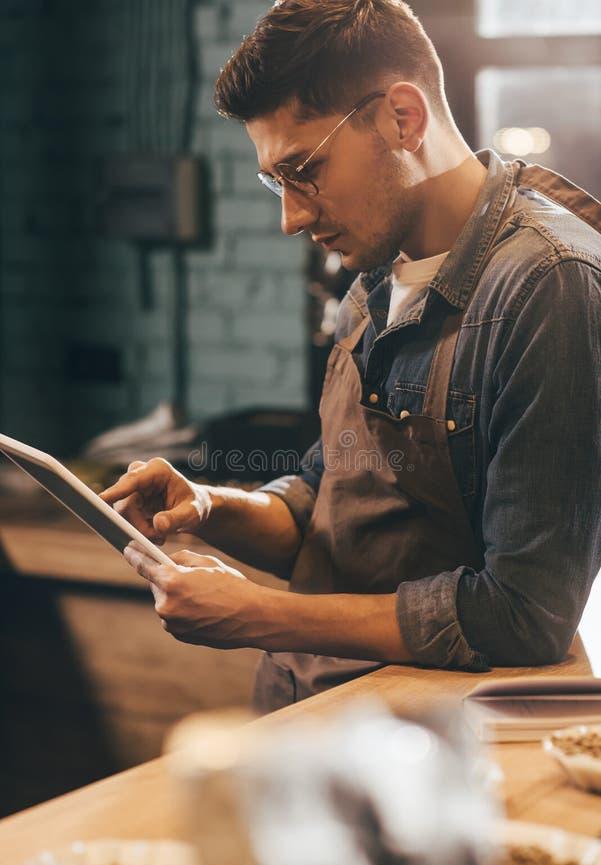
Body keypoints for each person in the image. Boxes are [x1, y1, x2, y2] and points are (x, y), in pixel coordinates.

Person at [100, 0, 601, 713]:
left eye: (304, 169)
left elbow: (524, 615)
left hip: (420, 752)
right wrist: (209, 506)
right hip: (304, 716)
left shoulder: (549, 283)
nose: (291, 217)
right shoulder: (375, 266)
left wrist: (259, 615)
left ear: (403, 116)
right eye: (277, 181)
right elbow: (328, 498)